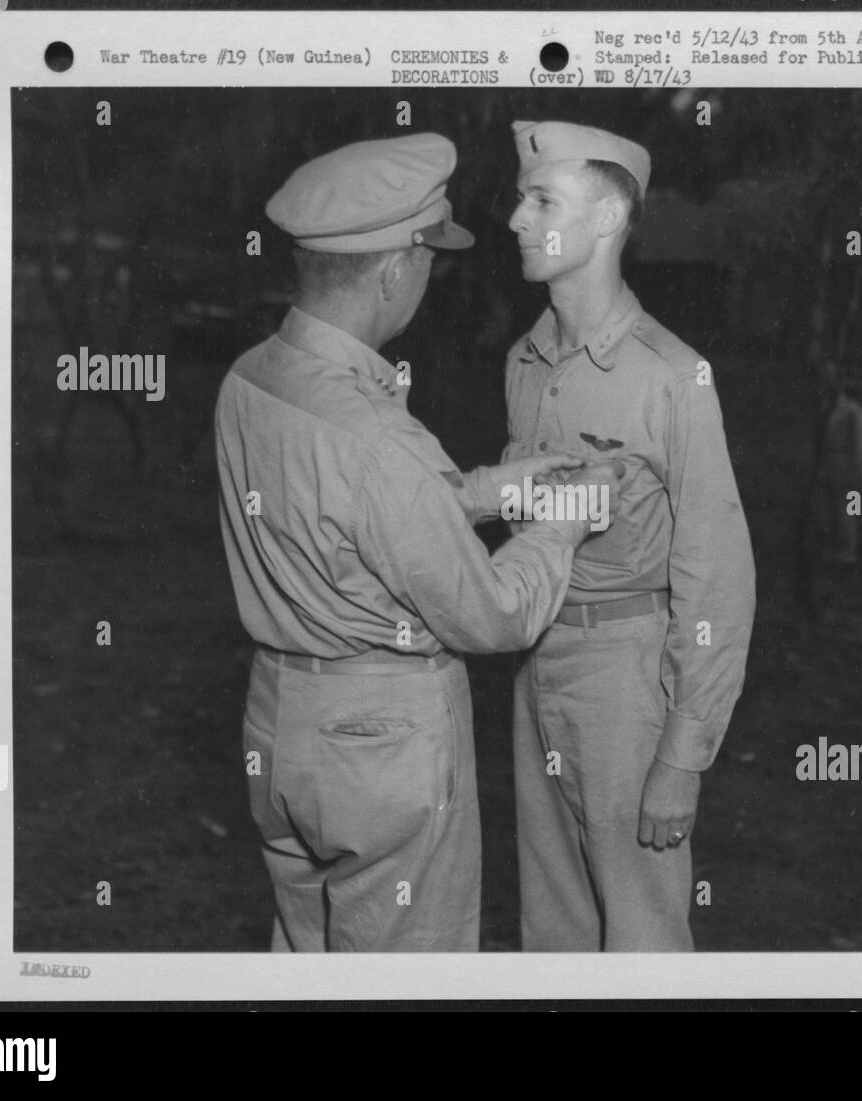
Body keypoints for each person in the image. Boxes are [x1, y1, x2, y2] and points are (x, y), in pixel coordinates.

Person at [215, 133, 622, 952]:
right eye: (429, 259)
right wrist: (566, 517)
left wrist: (490, 488)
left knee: (307, 959)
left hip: (283, 728)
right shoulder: (376, 438)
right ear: (397, 268)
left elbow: (344, 519)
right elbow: (494, 615)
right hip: (380, 751)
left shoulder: (251, 378)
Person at [501, 120, 756, 951]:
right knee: (554, 931)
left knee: (642, 938)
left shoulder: (670, 376)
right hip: (535, 663)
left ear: (608, 219)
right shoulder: (525, 361)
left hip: (627, 682)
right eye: (519, 197)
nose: (515, 218)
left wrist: (682, 753)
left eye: (541, 199)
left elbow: (718, 577)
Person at [820, 372, 862, 564]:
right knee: (835, 508)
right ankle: (839, 548)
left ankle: (850, 550)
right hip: (833, 460)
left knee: (850, 509)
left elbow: (859, 442)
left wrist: (857, 468)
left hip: (848, 461)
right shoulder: (831, 409)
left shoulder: (851, 410)